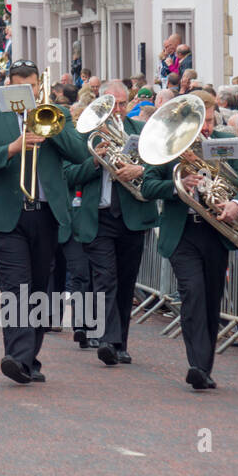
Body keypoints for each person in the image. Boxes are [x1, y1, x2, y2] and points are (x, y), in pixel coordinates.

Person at [0, 59, 91, 384]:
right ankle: (18, 357)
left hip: (47, 215)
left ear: (39, 86)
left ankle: (28, 358)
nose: (26, 89)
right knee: (15, 286)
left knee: (39, 289)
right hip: (8, 214)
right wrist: (11, 148)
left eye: (31, 84)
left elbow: (81, 155)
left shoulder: (58, 115)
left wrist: (50, 128)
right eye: (18, 84)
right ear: (8, 86)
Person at [142, 91, 238, 390]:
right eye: (202, 122)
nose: (207, 127)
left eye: (209, 120)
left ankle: (204, 366)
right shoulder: (170, 145)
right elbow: (147, 185)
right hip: (183, 232)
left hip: (215, 232)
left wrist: (237, 204)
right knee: (193, 293)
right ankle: (196, 364)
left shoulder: (224, 141)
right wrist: (177, 184)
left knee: (210, 299)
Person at [65, 82, 159, 366]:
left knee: (126, 281)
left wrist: (140, 168)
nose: (118, 110)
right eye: (112, 104)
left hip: (131, 216)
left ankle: (121, 343)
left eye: (122, 104)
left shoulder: (141, 131)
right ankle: (107, 340)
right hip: (99, 217)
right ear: (99, 103)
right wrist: (96, 162)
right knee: (106, 279)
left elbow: (163, 165)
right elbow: (68, 174)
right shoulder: (84, 135)